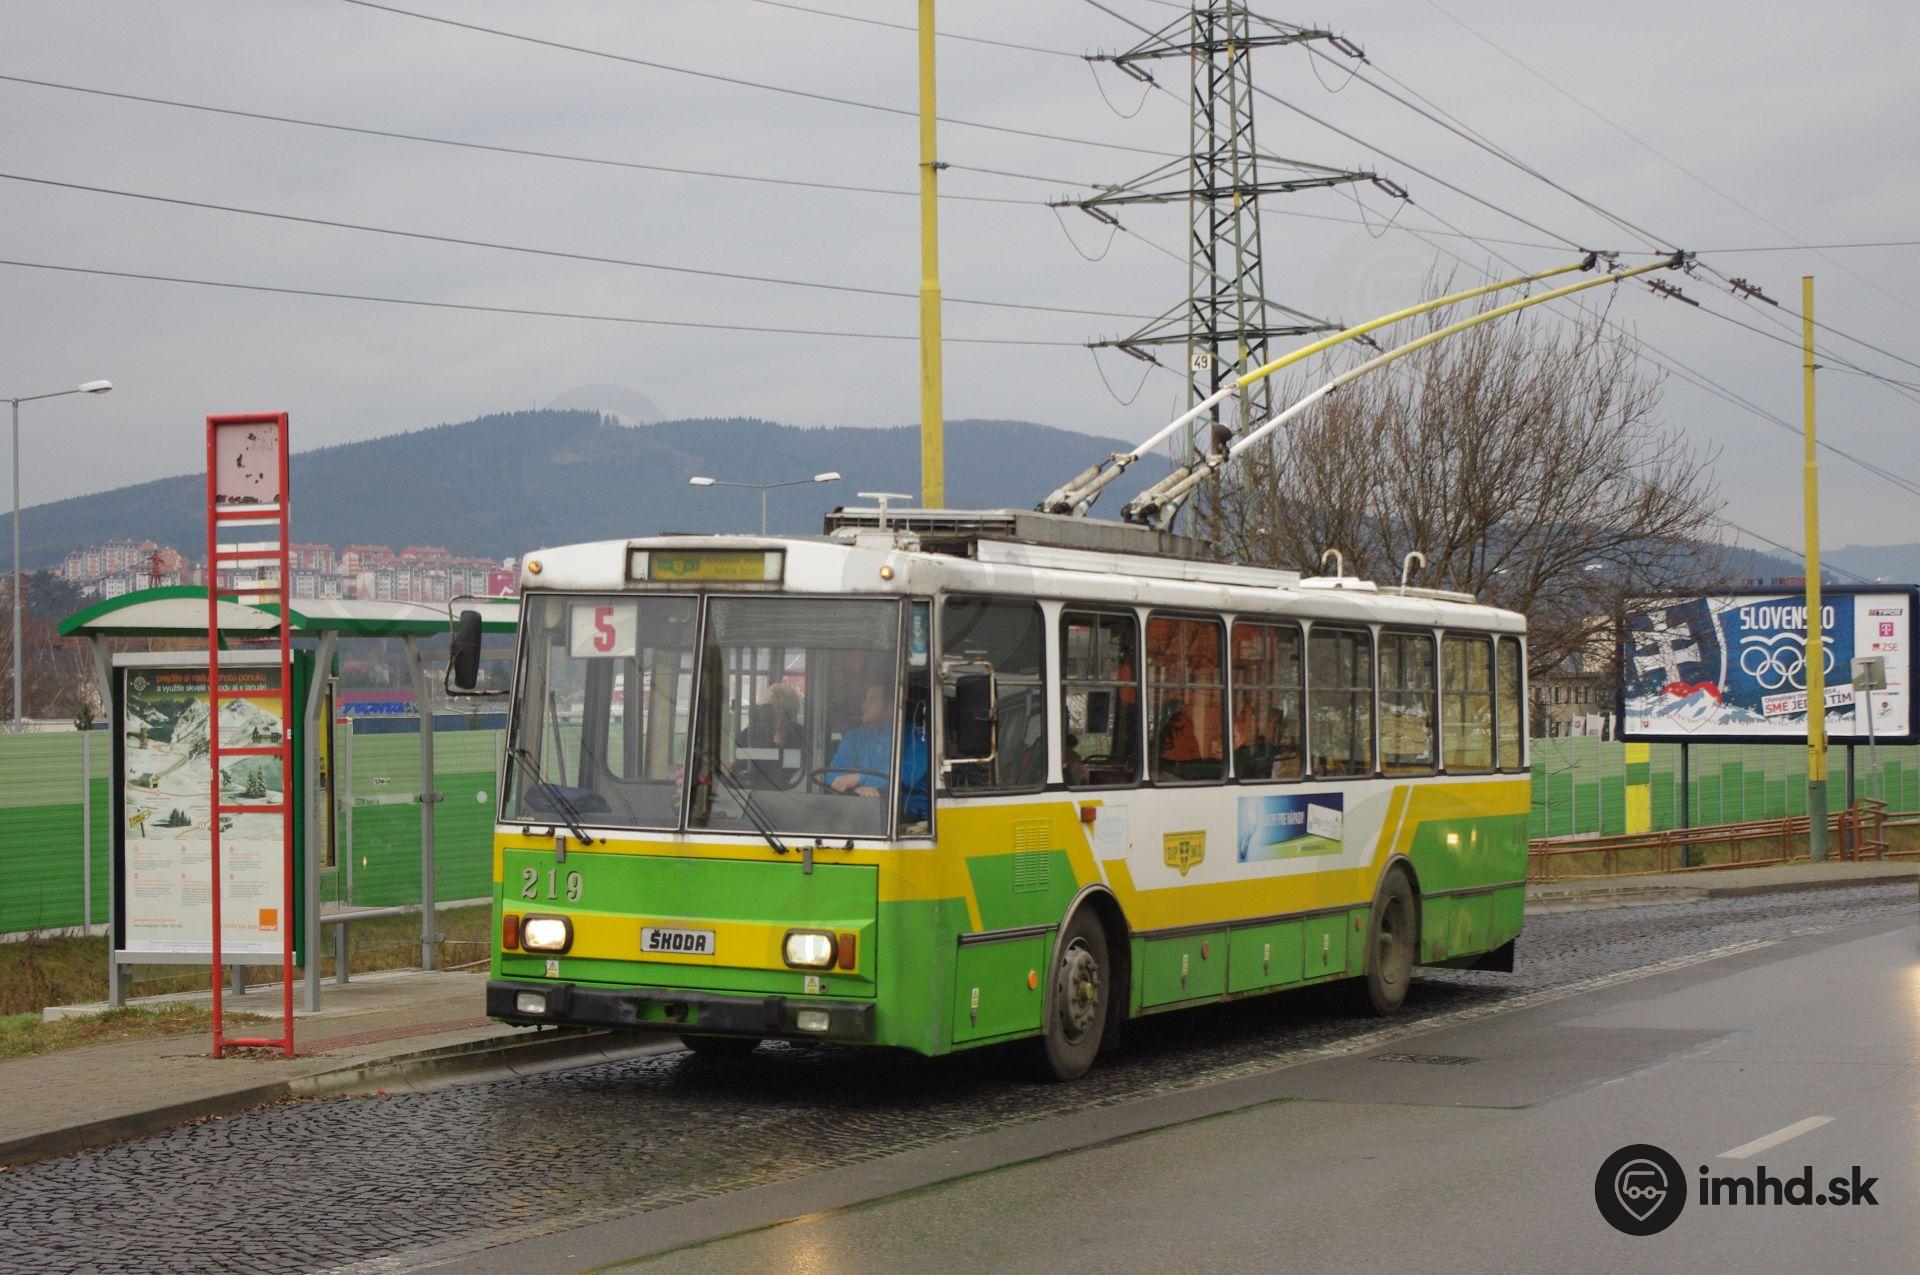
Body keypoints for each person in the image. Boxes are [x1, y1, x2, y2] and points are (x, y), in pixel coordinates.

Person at [826, 681, 929, 819]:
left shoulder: (915, 736)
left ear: (891, 707)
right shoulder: (854, 736)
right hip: (864, 810)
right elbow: (833, 773)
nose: (863, 706)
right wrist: (857, 789)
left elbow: (906, 775)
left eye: (872, 700)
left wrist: (860, 779)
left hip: (909, 815)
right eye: (865, 699)